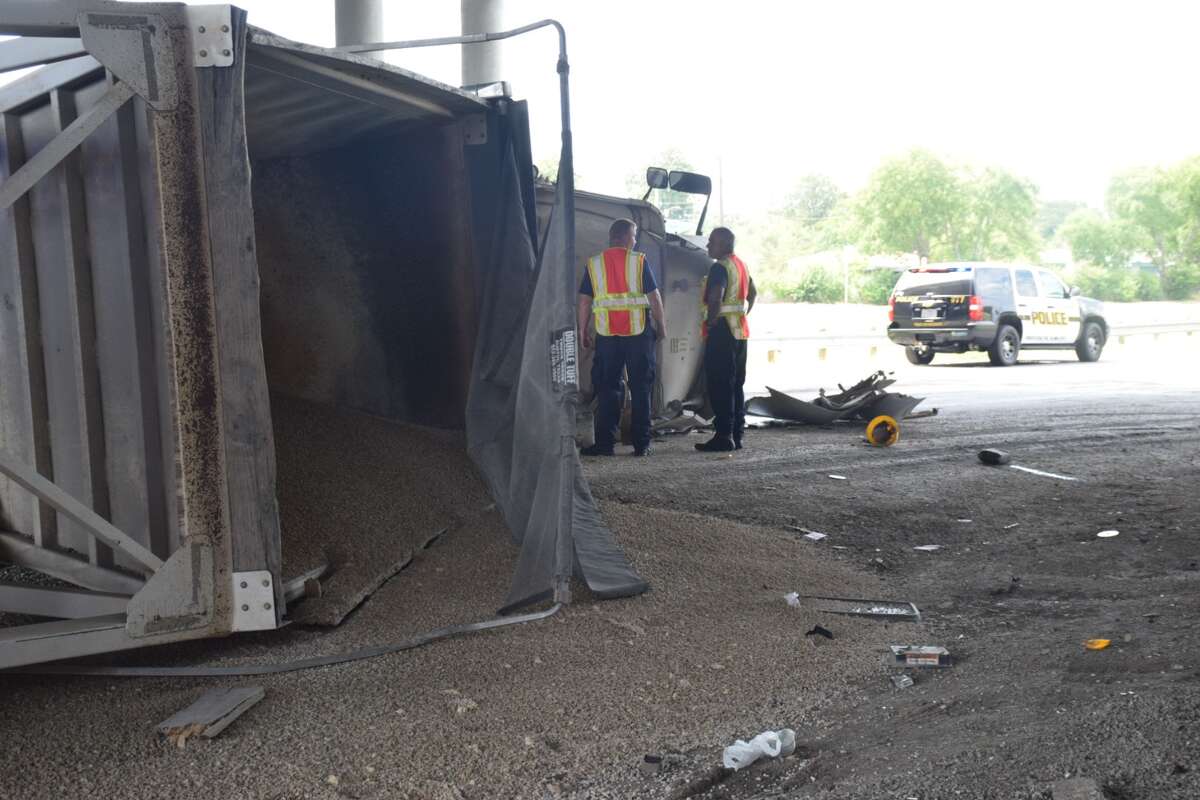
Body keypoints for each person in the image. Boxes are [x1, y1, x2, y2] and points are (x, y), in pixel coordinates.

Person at [577, 218, 667, 457]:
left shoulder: (594, 264)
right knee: (640, 388)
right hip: (638, 333)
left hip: (607, 335)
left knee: (607, 388)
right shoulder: (638, 261)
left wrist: (582, 330)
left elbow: (585, 301)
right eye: (634, 236)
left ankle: (605, 444)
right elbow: (654, 297)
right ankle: (641, 444)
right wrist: (662, 327)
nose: (635, 241)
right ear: (624, 237)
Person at [696, 226, 756, 452]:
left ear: (723, 244)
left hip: (722, 331)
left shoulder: (719, 268)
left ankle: (723, 436)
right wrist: (742, 314)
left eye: (712, 242)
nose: (708, 245)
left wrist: (711, 321)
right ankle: (736, 434)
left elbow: (715, 298)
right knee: (735, 384)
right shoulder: (741, 265)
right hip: (740, 331)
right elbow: (753, 293)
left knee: (720, 384)